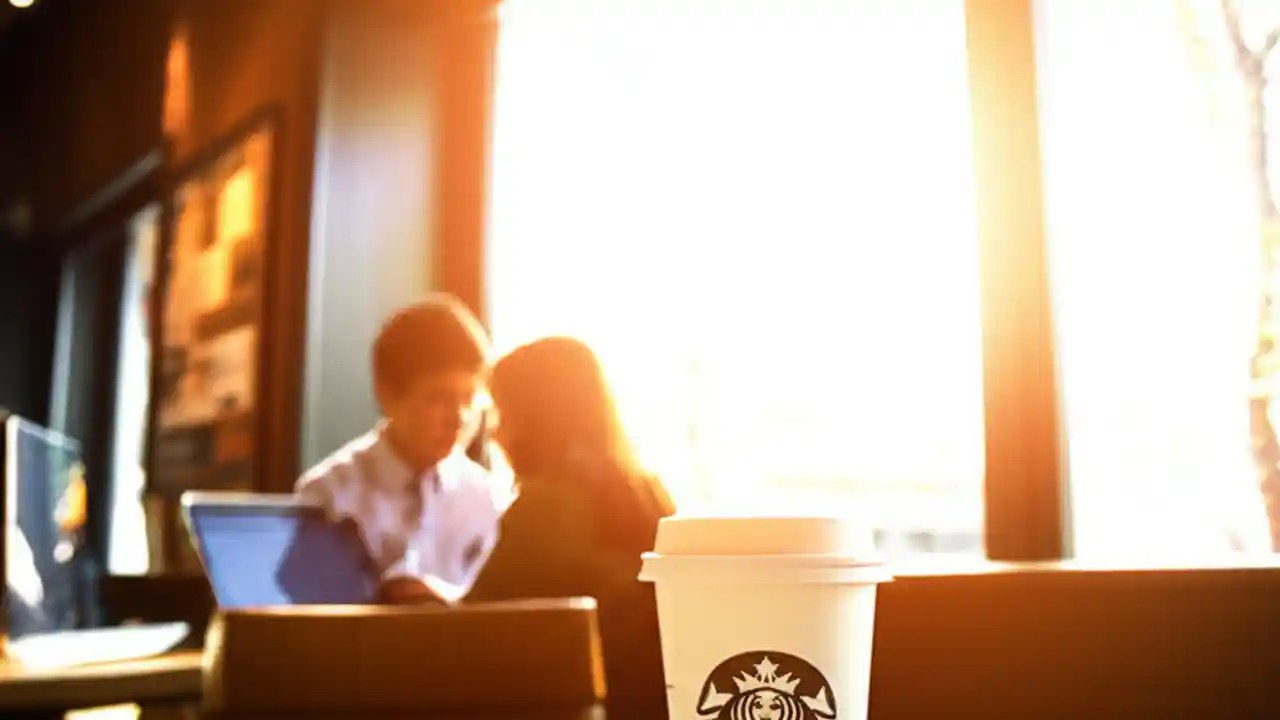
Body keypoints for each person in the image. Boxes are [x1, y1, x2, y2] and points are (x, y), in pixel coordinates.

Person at [387, 336, 676, 708]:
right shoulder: (647, 494)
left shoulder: (549, 508)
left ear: (535, 419)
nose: (493, 432)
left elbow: (471, 642)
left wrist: (416, 605)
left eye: (502, 414)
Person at [296, 294, 504, 598]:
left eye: (469, 398)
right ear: (388, 396)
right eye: (438, 399)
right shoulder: (329, 496)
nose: (459, 418)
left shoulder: (485, 495)